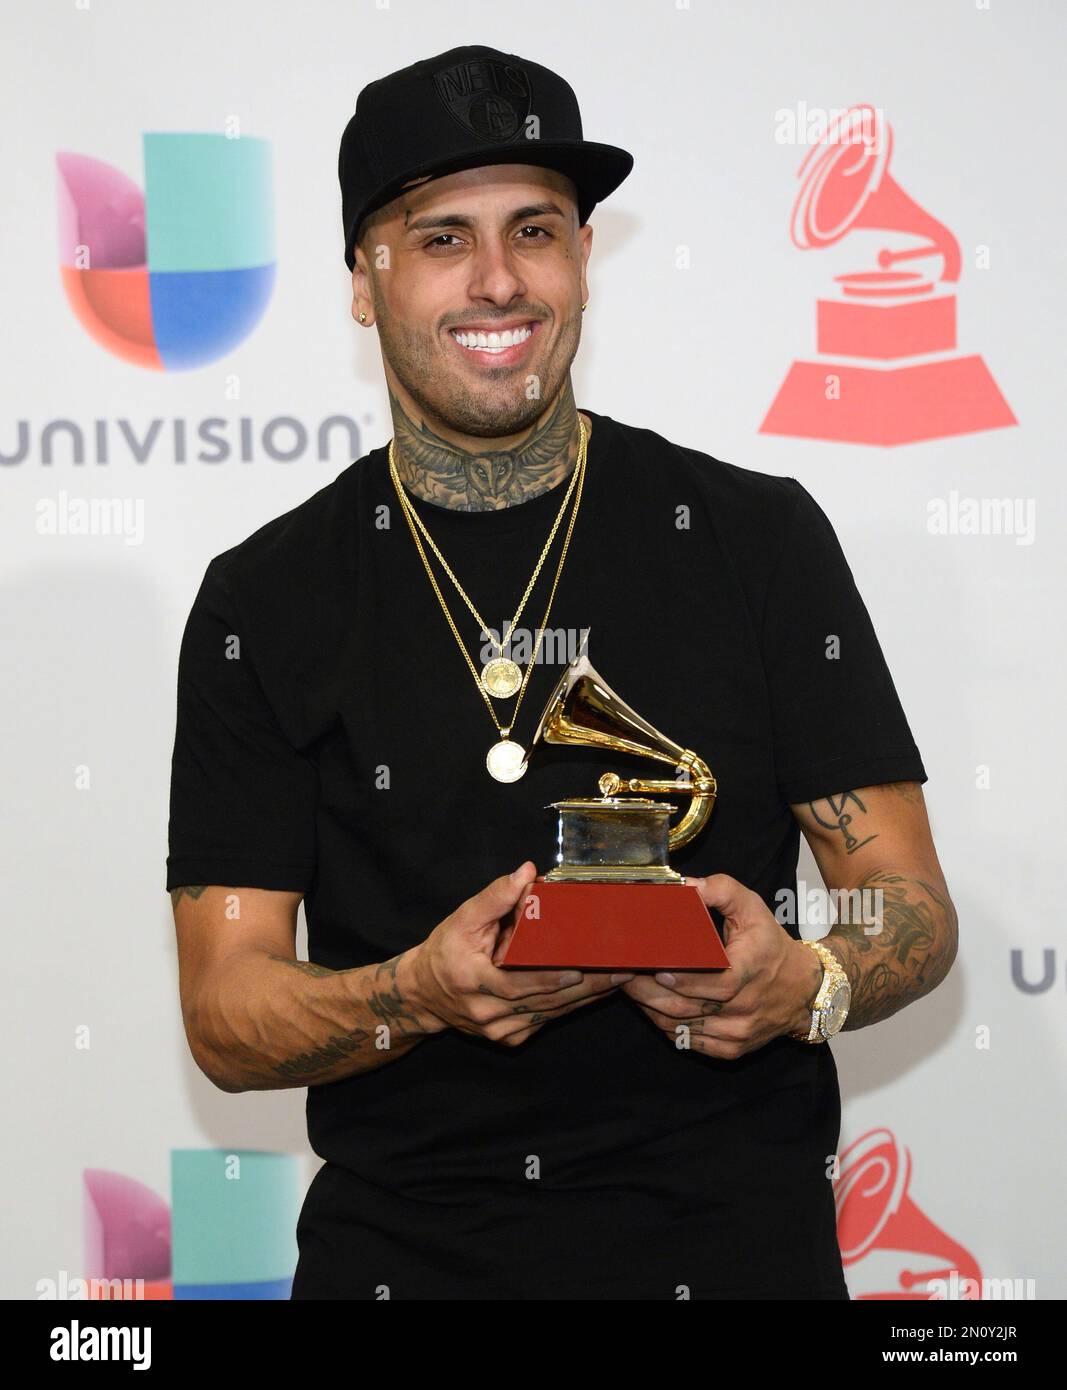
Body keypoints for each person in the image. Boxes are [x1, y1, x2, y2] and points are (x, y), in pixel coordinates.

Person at [166, 44, 957, 1300]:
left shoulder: (757, 536)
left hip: (738, 1258)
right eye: (439, 238)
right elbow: (224, 1009)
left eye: (533, 227)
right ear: (363, 283)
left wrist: (810, 980)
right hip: (403, 1267)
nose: (496, 279)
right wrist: (412, 992)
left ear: (584, 256)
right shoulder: (263, 598)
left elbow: (903, 901)